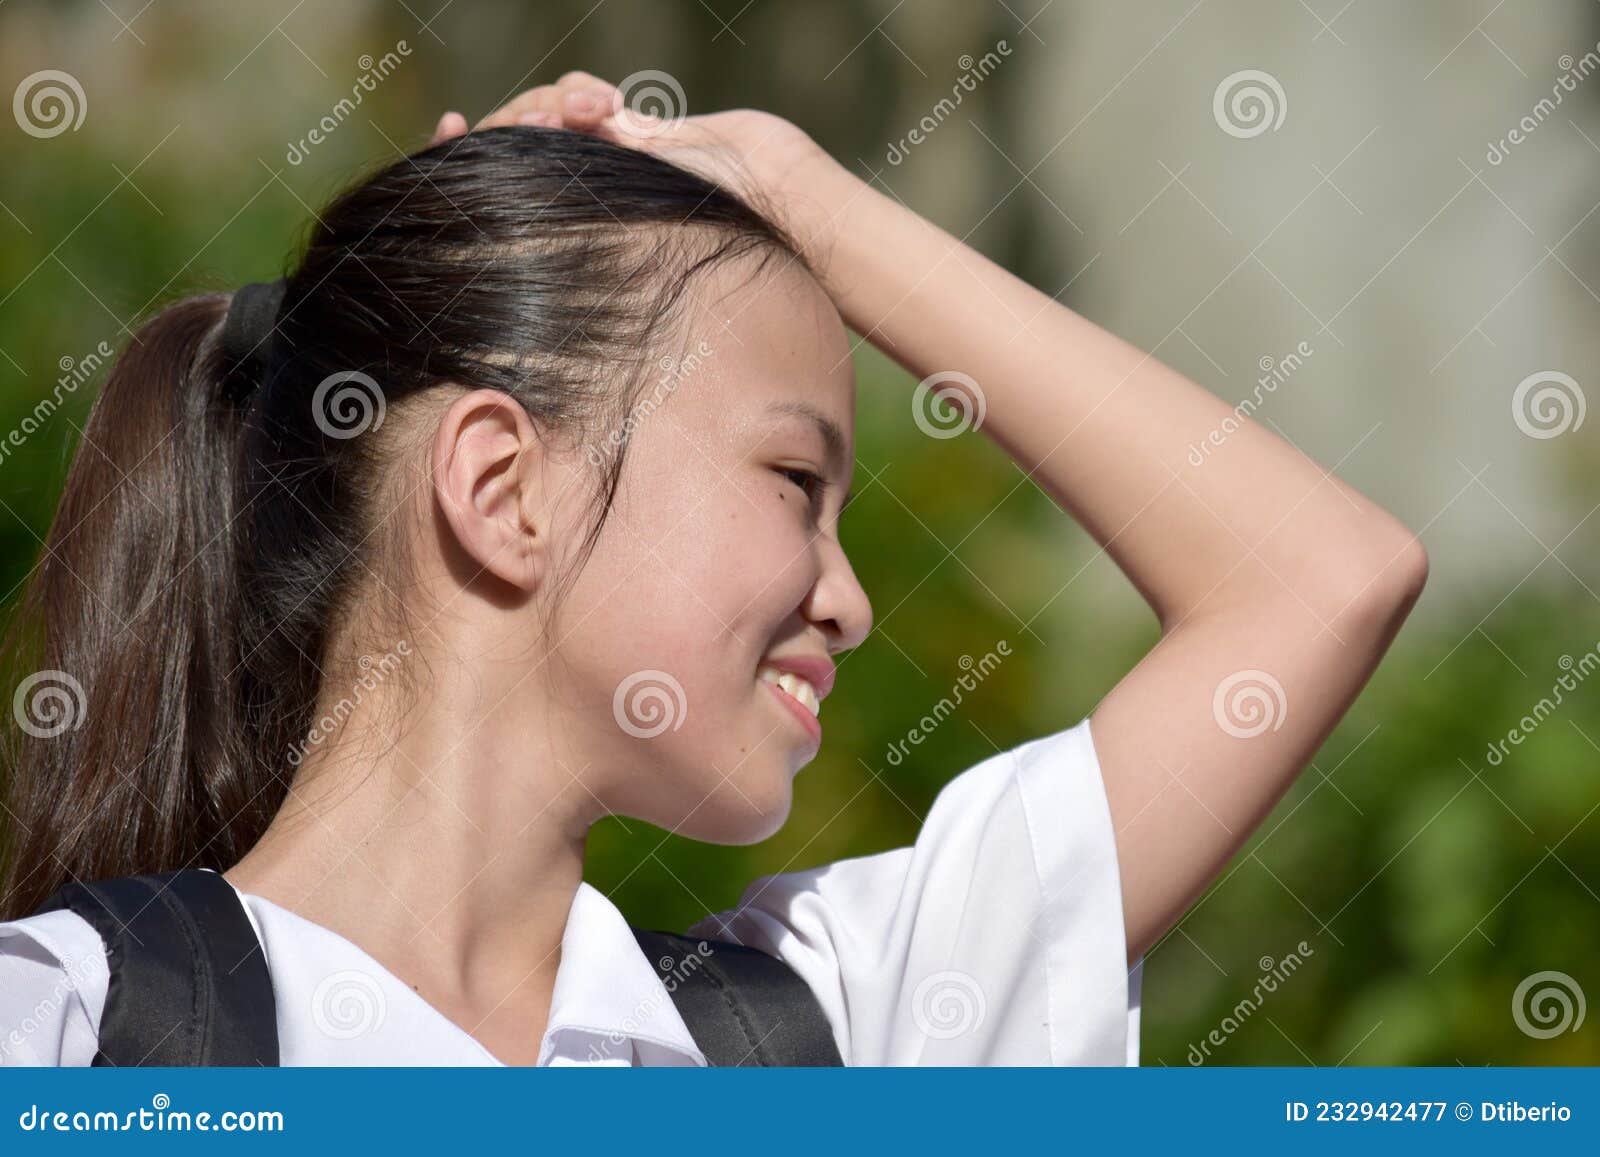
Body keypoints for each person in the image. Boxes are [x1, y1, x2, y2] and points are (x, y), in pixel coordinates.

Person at [0, 72, 1426, 1067]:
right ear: (503, 489)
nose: (850, 598)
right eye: (797, 482)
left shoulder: (826, 1033)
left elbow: (1322, 574)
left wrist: (805, 208)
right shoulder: (68, 1034)